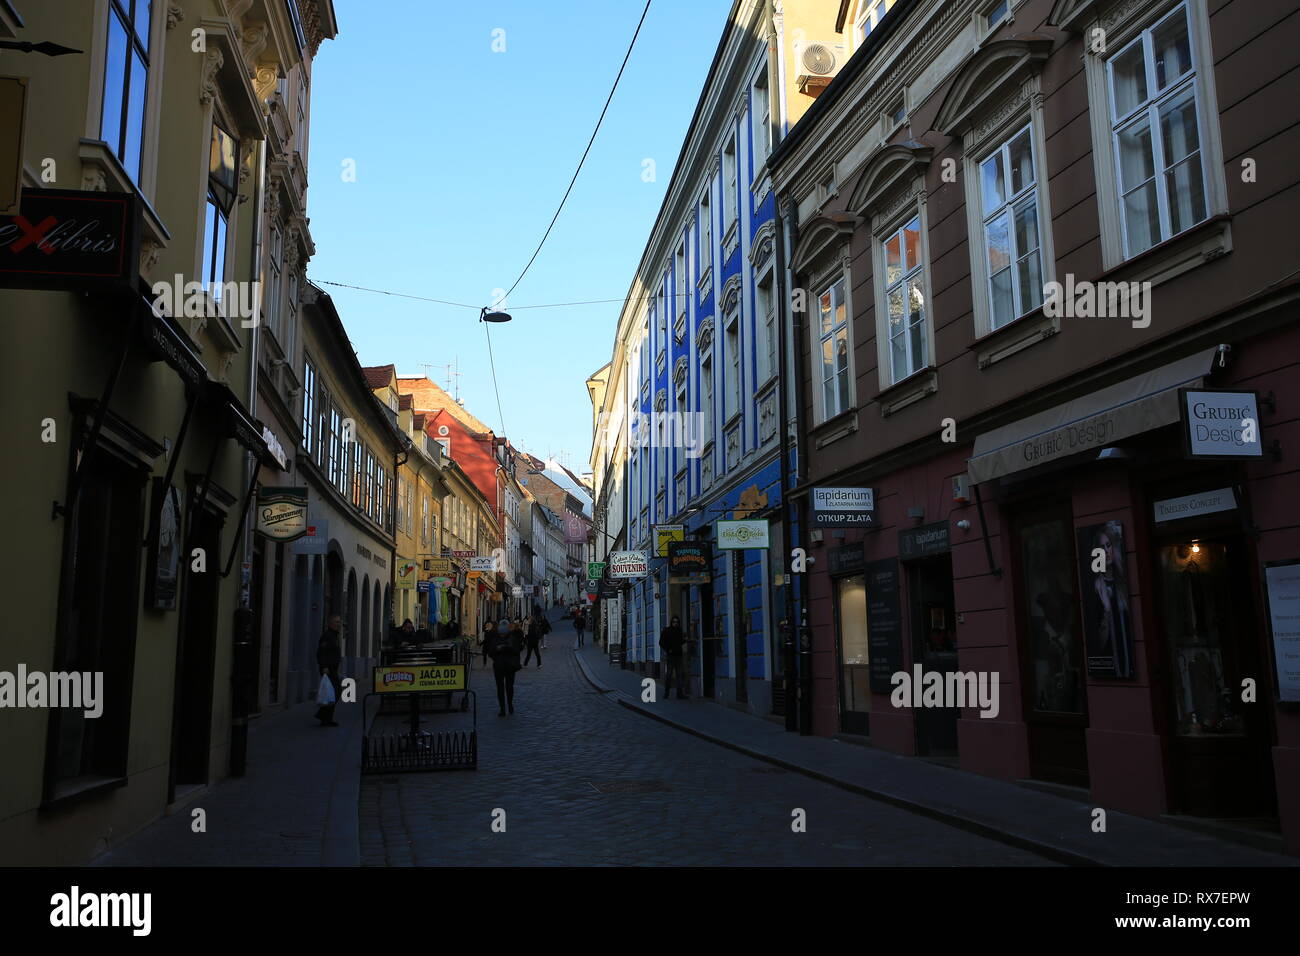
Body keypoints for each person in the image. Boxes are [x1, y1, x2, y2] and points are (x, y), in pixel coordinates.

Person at [485, 621, 523, 716]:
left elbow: (490, 653)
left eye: (503, 633)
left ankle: (506, 706)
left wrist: (502, 649)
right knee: (505, 687)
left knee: (505, 687)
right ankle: (505, 707)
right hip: (505, 666)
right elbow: (518, 650)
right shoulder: (511, 638)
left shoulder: (497, 639)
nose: (502, 635)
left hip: (503, 666)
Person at [315, 614, 343, 726]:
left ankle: (324, 716)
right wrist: (324, 666)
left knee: (334, 693)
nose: (339, 624)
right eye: (336, 622)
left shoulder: (334, 636)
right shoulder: (327, 636)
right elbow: (321, 653)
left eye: (339, 622)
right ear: (330, 624)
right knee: (334, 692)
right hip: (328, 669)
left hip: (332, 669)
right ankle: (325, 717)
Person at [659, 615, 687, 699]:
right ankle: (666, 692)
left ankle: (679, 693)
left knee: (679, 675)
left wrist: (685, 640)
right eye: (674, 622)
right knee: (669, 675)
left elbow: (680, 642)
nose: (675, 623)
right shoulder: (667, 630)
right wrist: (668, 649)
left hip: (679, 655)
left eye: (677, 622)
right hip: (670, 656)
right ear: (671, 622)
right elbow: (661, 642)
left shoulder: (679, 630)